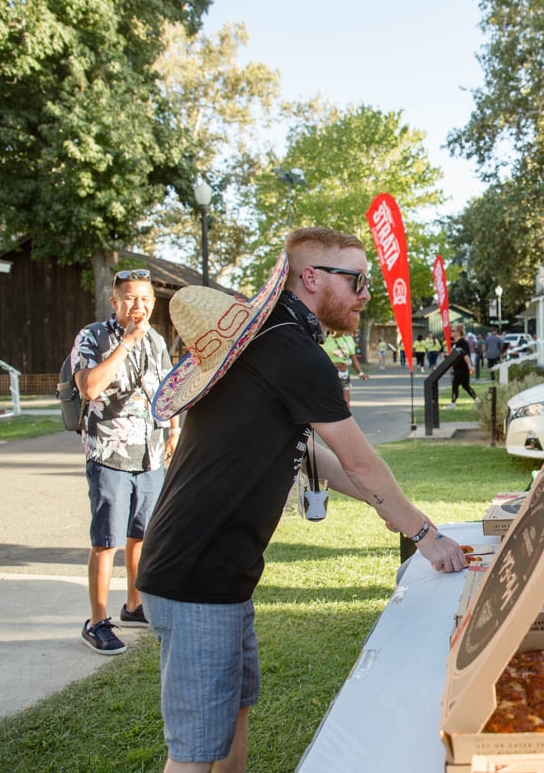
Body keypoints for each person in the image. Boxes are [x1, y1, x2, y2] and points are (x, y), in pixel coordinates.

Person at [138, 228, 465, 772]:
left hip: (220, 574)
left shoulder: (275, 339)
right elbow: (360, 460)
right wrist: (424, 536)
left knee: (232, 722)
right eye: (357, 280)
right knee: (195, 755)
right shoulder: (289, 349)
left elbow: (317, 456)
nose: (366, 294)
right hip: (196, 574)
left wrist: (386, 509)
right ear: (311, 278)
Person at [70, 268, 179, 654]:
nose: (140, 306)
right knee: (107, 541)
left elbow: (167, 388)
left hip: (150, 453)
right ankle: (97, 621)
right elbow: (90, 386)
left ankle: (134, 607)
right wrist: (127, 343)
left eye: (146, 299)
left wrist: (174, 429)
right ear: (115, 302)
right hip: (109, 452)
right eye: (131, 298)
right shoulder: (94, 336)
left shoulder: (157, 340)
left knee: (141, 536)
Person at [321, 331, 368, 408]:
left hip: (344, 374)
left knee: (346, 405)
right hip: (330, 375)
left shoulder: (349, 340)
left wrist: (360, 373)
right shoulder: (325, 341)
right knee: (330, 403)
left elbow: (353, 358)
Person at [449, 325, 477, 406]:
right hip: (459, 367)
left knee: (455, 384)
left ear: (459, 332)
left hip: (462, 368)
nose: (451, 332)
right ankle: (477, 400)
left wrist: (470, 366)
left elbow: (465, 355)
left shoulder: (462, 342)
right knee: (465, 385)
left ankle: (453, 403)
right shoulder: (457, 342)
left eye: (453, 331)